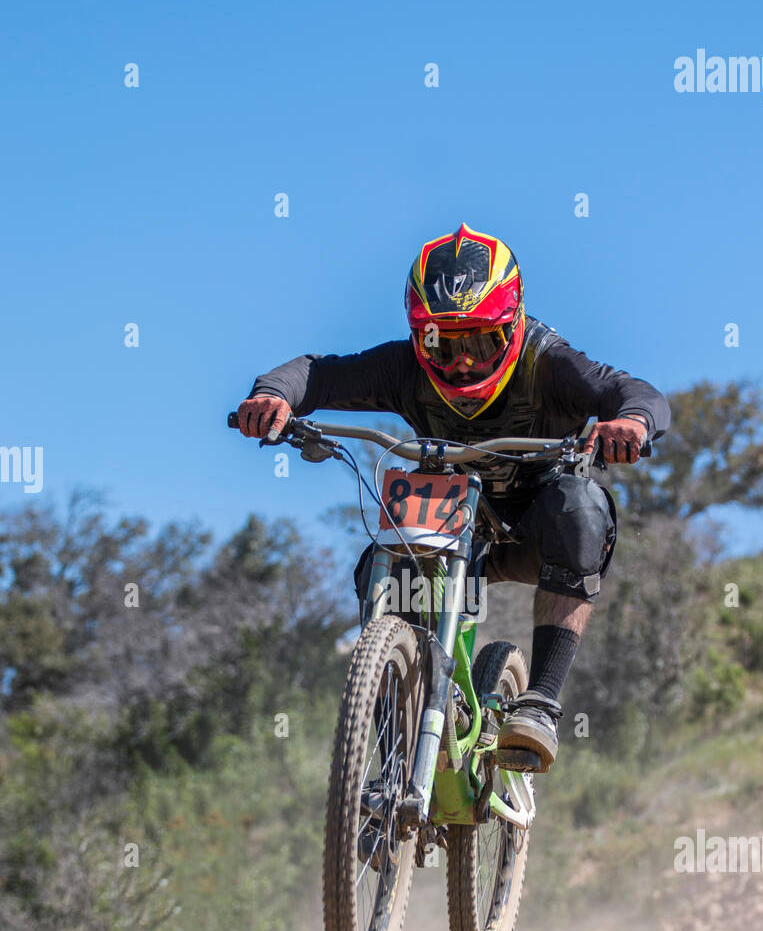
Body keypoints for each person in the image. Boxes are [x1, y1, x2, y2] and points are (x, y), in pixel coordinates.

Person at [234, 223, 671, 772]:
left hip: (534, 529)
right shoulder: (403, 368)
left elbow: (636, 393)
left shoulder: (548, 363)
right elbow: (317, 374)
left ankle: (539, 704)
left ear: (511, 328)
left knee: (581, 506)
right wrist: (273, 394)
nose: (462, 361)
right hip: (450, 519)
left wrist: (631, 421)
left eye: (481, 341)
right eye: (442, 342)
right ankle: (394, 755)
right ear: (419, 336)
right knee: (381, 567)